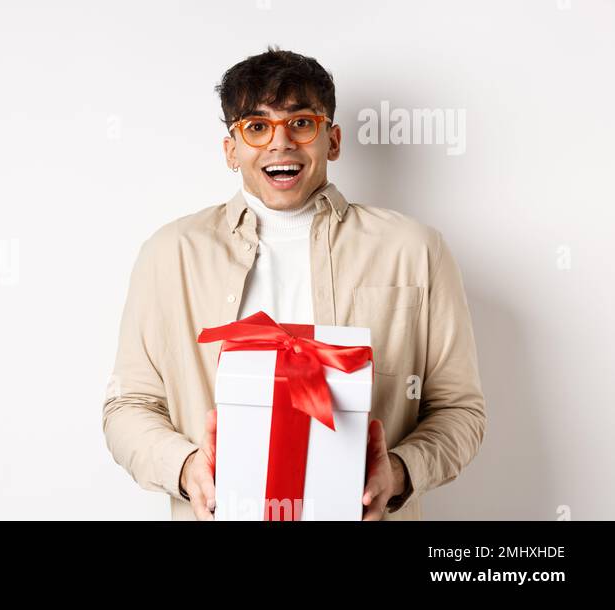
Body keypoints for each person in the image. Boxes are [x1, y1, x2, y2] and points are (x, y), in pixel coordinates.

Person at [102, 47, 486, 520]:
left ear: (334, 140)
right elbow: (129, 405)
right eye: (256, 127)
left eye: (301, 123)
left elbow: (460, 410)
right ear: (231, 149)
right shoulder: (169, 254)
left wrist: (401, 472)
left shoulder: (416, 250)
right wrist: (185, 469)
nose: (279, 143)